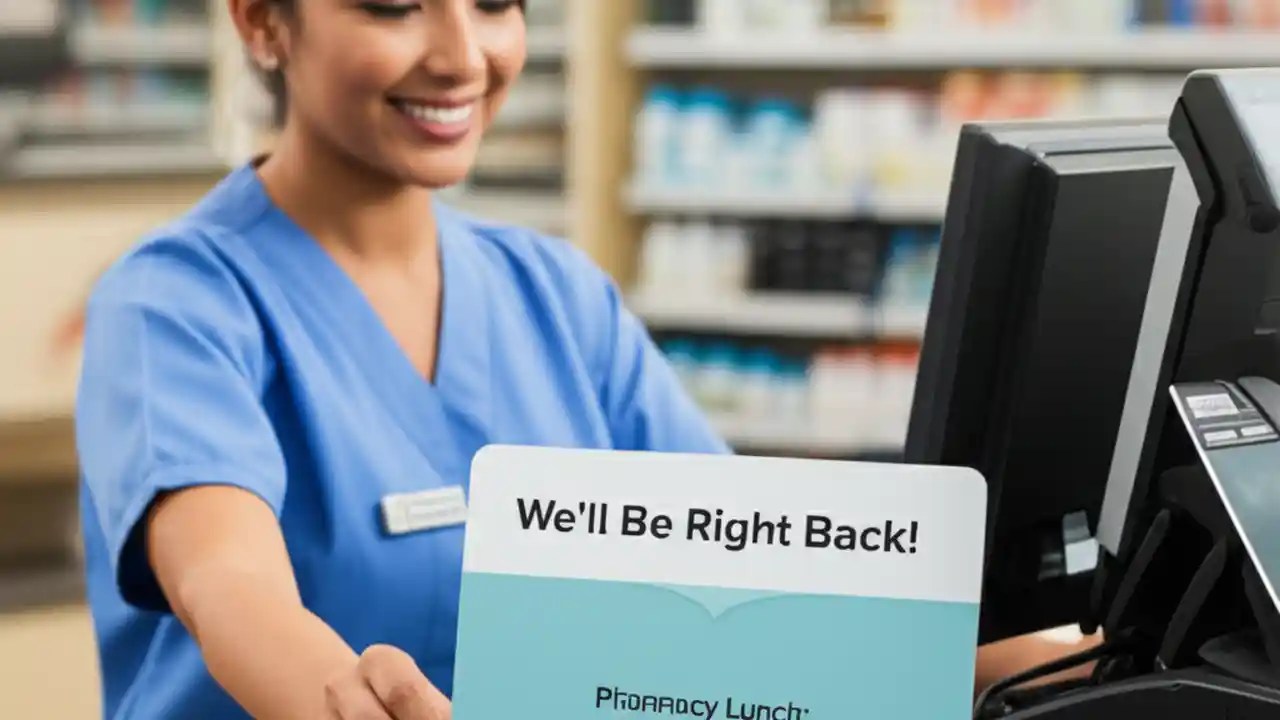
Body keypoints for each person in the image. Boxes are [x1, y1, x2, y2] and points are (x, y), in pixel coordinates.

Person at [73, 1, 1092, 718]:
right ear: (260, 20)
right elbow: (230, 585)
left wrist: (1097, 665)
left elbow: (757, 575)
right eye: (392, 6)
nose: (461, 55)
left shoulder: (554, 298)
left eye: (495, 2)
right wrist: (341, 701)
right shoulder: (176, 303)